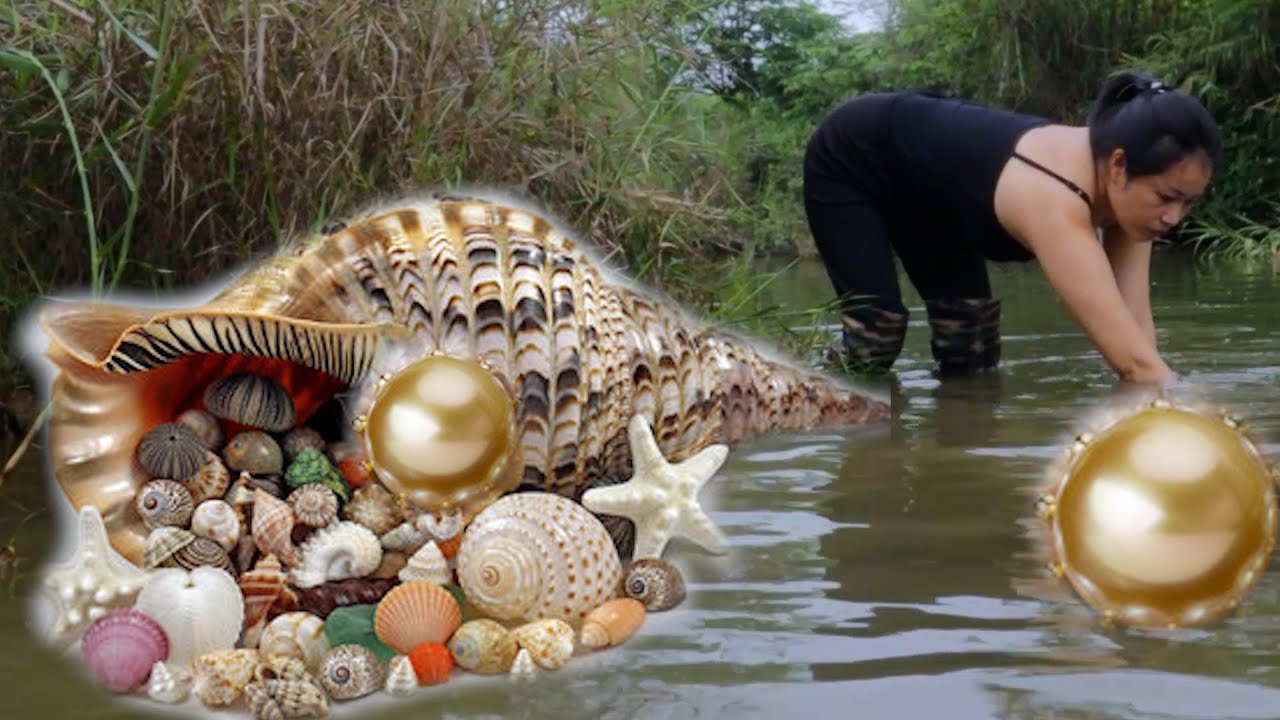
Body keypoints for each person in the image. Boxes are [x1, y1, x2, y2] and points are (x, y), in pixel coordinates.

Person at [803, 71, 1222, 384]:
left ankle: (958, 461)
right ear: (1117, 166)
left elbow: (1138, 341)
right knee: (876, 334)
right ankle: (801, 392)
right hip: (855, 158)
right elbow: (1131, 363)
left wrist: (1154, 395)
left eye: (1188, 202)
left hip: (933, 193)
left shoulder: (1132, 193)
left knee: (971, 342)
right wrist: (1194, 418)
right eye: (1167, 198)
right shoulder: (1055, 197)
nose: (1174, 217)